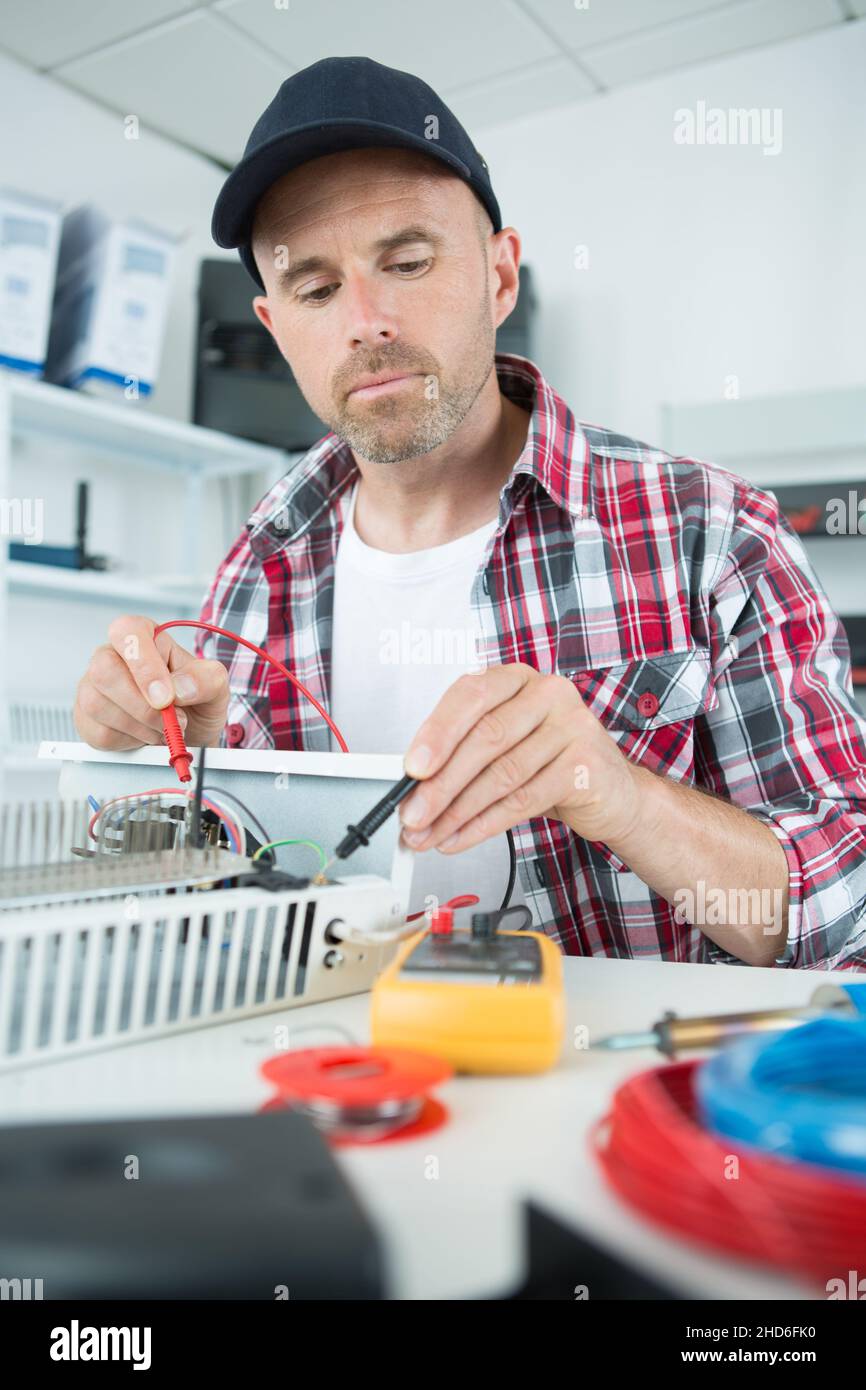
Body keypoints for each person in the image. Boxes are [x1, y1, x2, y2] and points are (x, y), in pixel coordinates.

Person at [73, 57, 866, 969]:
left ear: (500, 276)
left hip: (620, 1102)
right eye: (317, 289)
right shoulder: (255, 572)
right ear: (274, 321)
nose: (366, 321)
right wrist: (175, 766)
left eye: (407, 262)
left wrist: (621, 796)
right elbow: (223, 920)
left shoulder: (714, 533)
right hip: (340, 1094)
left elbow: (849, 911)